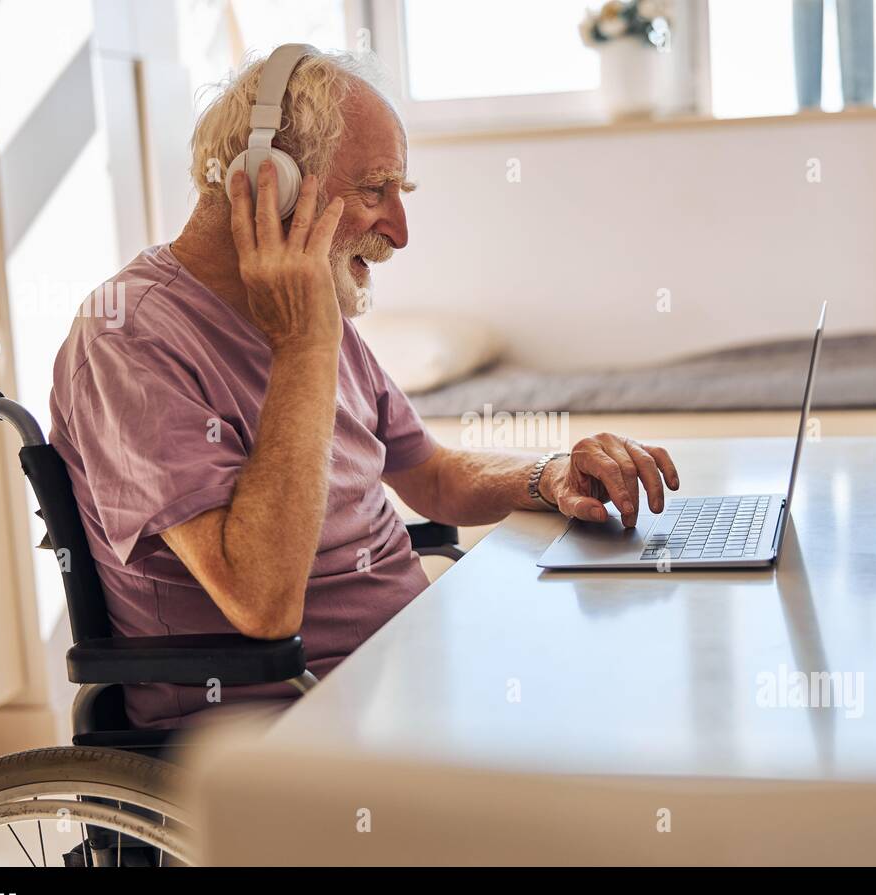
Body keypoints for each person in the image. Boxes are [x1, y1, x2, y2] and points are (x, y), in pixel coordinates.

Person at [49, 49, 681, 729]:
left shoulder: (311, 307)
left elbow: (434, 476)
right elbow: (261, 600)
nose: (400, 234)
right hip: (291, 721)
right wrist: (304, 348)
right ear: (272, 183)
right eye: (376, 190)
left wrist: (549, 476)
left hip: (411, 675)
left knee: (641, 674)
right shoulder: (131, 339)